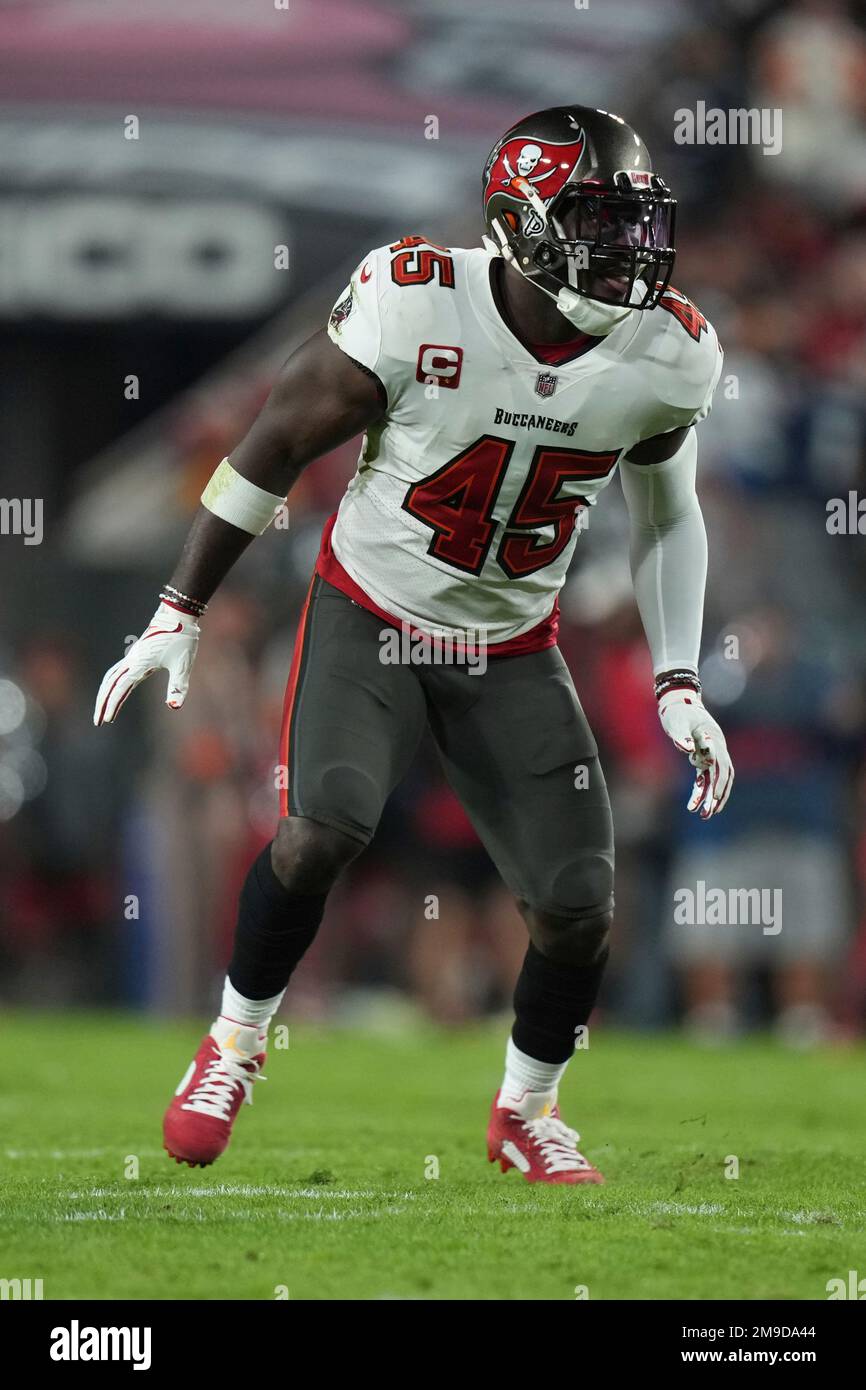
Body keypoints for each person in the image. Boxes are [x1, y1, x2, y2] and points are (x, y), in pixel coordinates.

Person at [94, 105, 733, 1185]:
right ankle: (235, 1045)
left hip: (513, 641)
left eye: (633, 221)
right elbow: (272, 445)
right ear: (517, 221)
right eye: (592, 218)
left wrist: (676, 676)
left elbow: (671, 516)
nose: (626, 247)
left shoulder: (665, 351)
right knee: (317, 832)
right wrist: (176, 609)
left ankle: (524, 1111)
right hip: (372, 611)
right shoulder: (415, 300)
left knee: (577, 901)